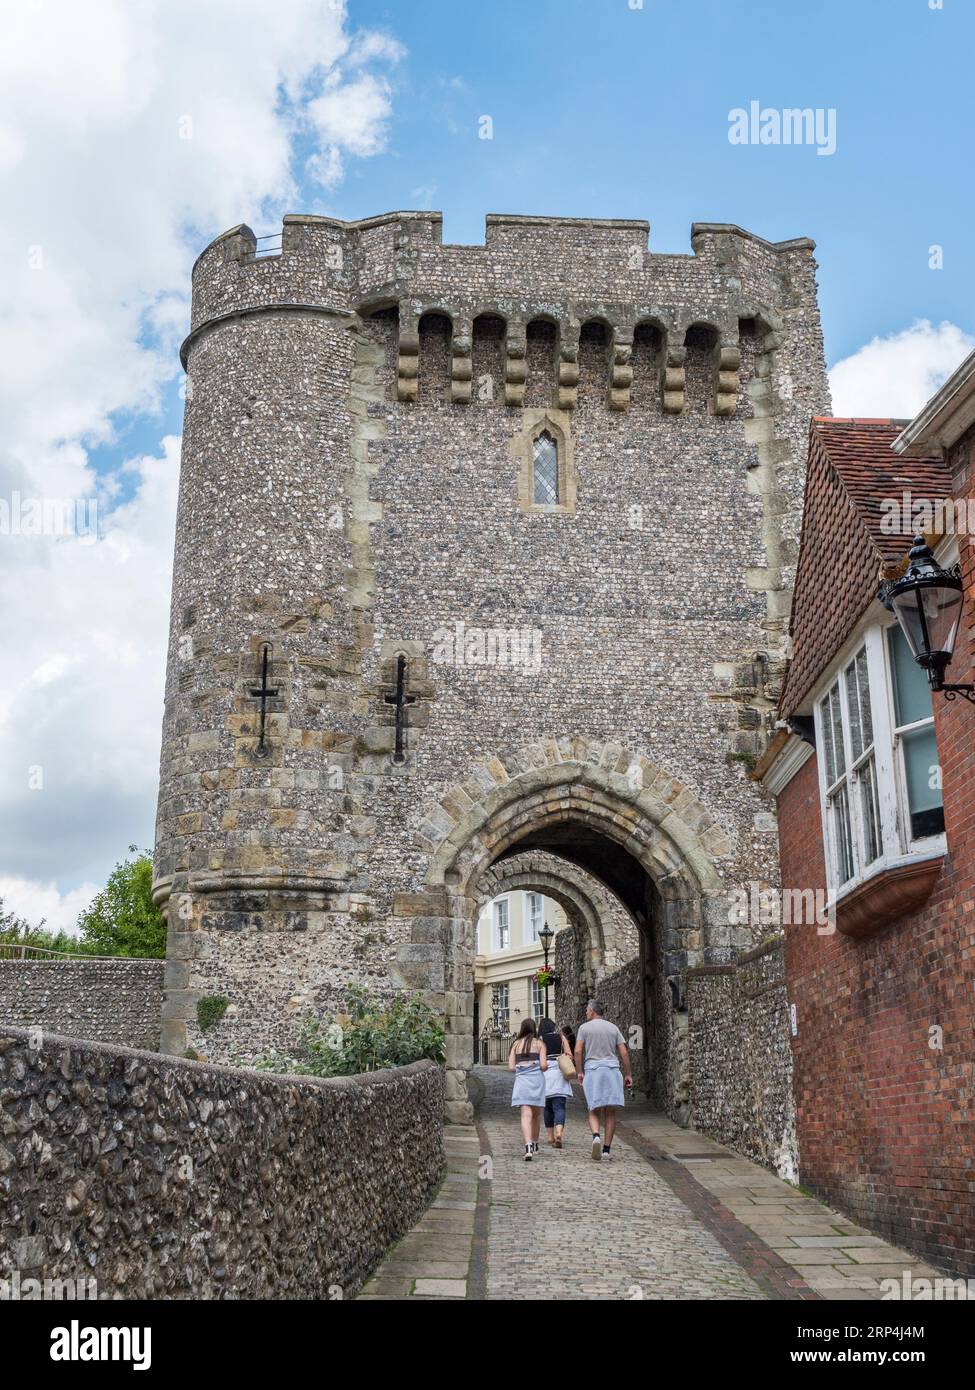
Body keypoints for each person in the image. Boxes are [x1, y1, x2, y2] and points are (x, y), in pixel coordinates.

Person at [573, 999, 633, 1161]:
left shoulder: (584, 1028)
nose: (586, 1012)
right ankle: (606, 1150)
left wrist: (579, 1071)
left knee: (593, 1108)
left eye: (587, 1010)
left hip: (593, 1071)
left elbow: (578, 1051)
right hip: (612, 1071)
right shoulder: (613, 1028)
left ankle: (596, 1136)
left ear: (592, 1011)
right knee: (611, 1111)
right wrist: (628, 1074)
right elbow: (624, 1053)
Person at [508, 1018, 547, 1161]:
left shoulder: (516, 1044)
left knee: (525, 1115)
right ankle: (535, 1144)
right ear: (534, 1029)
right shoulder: (540, 1044)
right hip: (537, 1081)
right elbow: (543, 1065)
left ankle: (528, 1146)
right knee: (536, 1115)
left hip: (522, 1082)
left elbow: (511, 1067)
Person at [537, 1016, 574, 1148]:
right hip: (559, 1074)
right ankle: (559, 1133)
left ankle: (550, 1136)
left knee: (547, 1107)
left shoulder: (540, 1040)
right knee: (559, 1107)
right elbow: (569, 1055)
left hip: (546, 1075)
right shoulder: (561, 1037)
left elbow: (538, 1059)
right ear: (553, 1027)